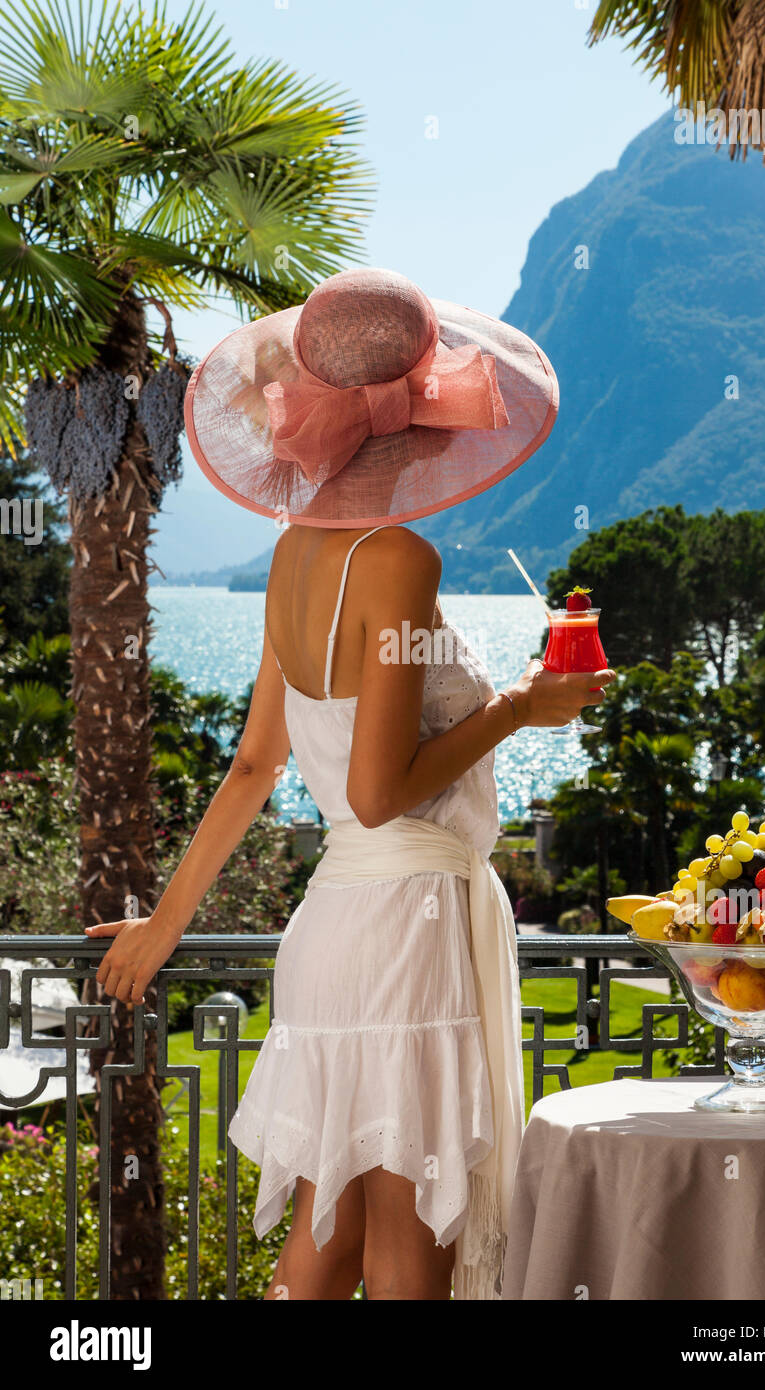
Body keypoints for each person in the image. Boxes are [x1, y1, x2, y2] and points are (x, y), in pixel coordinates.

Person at [85, 268, 616, 1301]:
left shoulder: (292, 556)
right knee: (410, 1236)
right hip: (406, 928)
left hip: (329, 929)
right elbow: (378, 794)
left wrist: (167, 924)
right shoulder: (400, 559)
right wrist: (518, 709)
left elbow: (254, 766)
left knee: (326, 1237)